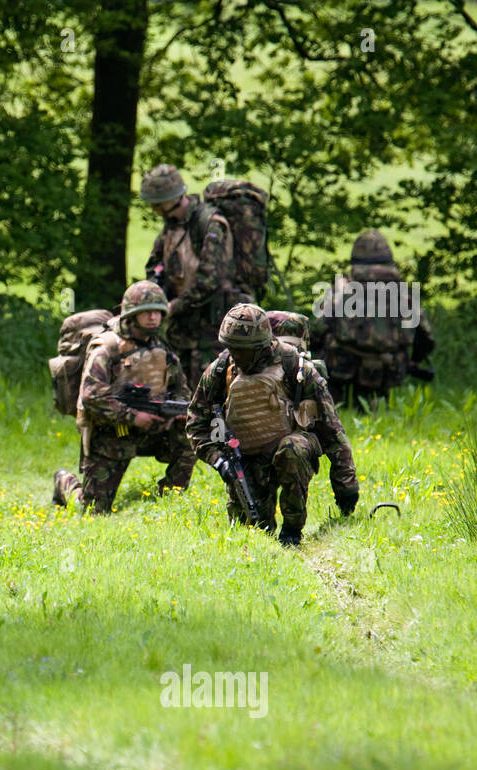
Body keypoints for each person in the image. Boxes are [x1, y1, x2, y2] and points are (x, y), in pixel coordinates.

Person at [186, 304, 358, 546]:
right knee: (253, 533)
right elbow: (196, 423)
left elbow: (332, 429)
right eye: (231, 347)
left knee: (292, 449)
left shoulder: (296, 367)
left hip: (290, 446)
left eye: (243, 350)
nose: (236, 354)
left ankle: (292, 532)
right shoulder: (221, 370)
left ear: (261, 346)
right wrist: (219, 460)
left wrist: (346, 486)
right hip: (244, 458)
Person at [53, 280, 195, 512]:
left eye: (157, 312)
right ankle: (64, 483)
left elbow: (181, 389)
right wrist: (133, 416)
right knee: (90, 510)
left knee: (189, 436)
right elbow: (91, 395)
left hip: (154, 430)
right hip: (111, 436)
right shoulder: (107, 348)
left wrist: (177, 412)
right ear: (132, 314)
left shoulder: (162, 349)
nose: (153, 318)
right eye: (146, 312)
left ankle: (170, 499)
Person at [141, 163, 252, 385]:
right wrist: (157, 296)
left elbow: (210, 280)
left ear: (172, 199)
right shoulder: (171, 227)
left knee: (211, 392)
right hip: (182, 329)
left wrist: (173, 307)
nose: (154, 209)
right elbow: (154, 266)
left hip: (210, 327)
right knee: (177, 390)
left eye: (157, 203)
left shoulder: (210, 224)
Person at [315, 229, 436, 407]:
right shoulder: (403, 292)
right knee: (375, 408)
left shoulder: (341, 288)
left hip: (342, 369)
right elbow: (426, 337)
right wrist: (415, 360)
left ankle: (334, 407)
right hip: (389, 369)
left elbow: (317, 330)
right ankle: (376, 406)